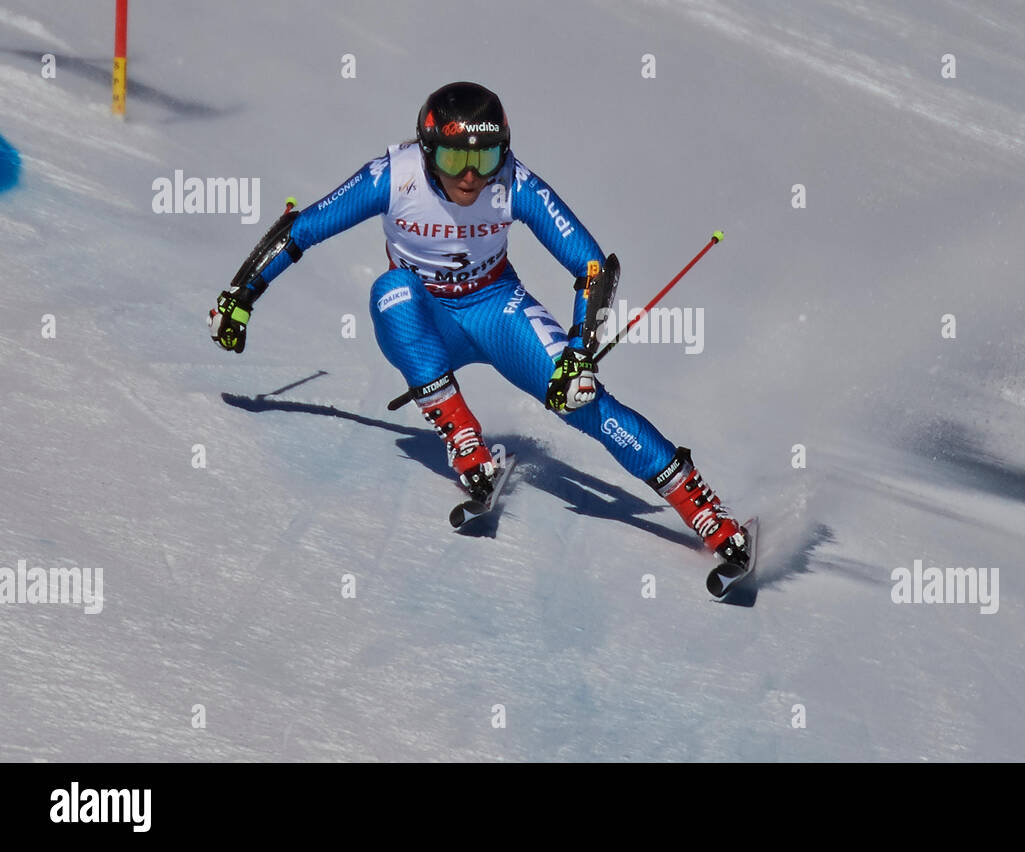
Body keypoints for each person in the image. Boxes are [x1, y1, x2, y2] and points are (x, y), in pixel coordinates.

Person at [209, 82, 750, 568]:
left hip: (498, 310)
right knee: (391, 292)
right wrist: (241, 295)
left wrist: (580, 352)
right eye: (452, 157)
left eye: (485, 158)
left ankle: (703, 510)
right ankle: (464, 439)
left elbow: (590, 265)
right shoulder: (393, 176)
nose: (470, 175)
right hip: (429, 319)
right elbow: (304, 229)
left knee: (582, 400)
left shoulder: (514, 183)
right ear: (427, 150)